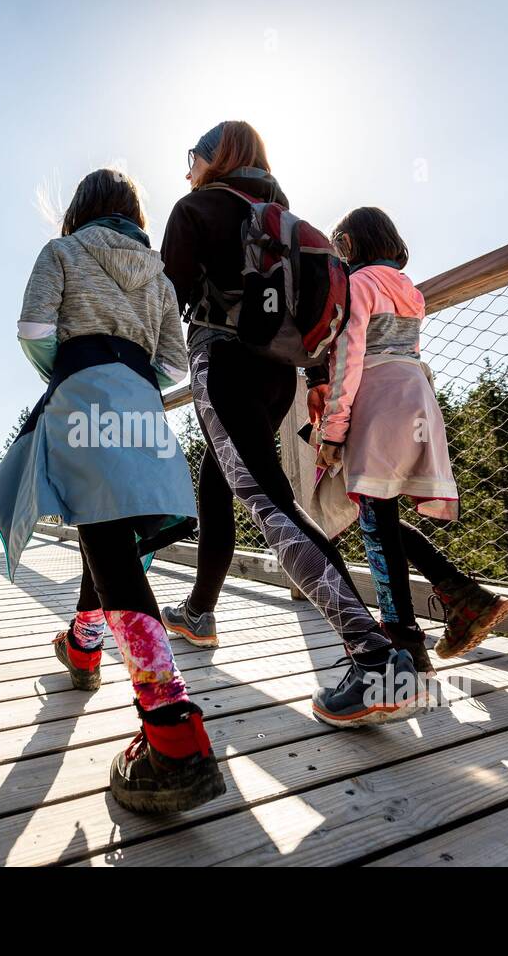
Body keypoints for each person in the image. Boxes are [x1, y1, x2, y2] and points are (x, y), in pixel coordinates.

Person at [159, 121, 423, 727]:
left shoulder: (196, 208)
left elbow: (163, 300)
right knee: (222, 477)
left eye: (191, 158)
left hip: (221, 360)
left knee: (268, 499)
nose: (187, 170)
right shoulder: (279, 217)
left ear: (212, 157)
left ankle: (375, 656)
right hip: (279, 375)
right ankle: (199, 610)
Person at [0, 168, 224, 813]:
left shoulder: (61, 252)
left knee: (109, 548)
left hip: (84, 394)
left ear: (80, 209)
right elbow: (174, 362)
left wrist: (68, 368)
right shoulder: (157, 274)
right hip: (143, 404)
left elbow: (33, 330)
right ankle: (83, 645)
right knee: (113, 530)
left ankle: (172, 730)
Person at [312, 207, 508, 671]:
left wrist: (333, 429)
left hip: (377, 398)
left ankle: (404, 642)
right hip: (416, 394)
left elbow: (349, 360)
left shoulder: (357, 286)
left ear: (347, 243)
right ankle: (462, 595)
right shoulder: (411, 292)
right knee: (377, 511)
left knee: (374, 516)